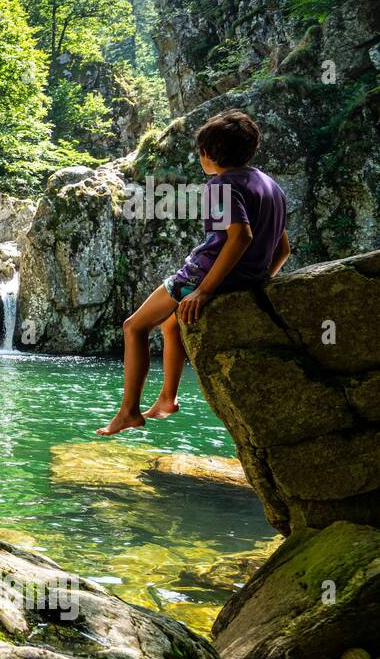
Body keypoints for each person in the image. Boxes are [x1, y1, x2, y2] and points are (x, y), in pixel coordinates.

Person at [97, 109, 291, 436]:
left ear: (208, 154)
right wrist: (260, 279)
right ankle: (167, 399)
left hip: (201, 277)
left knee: (134, 327)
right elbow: (283, 248)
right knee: (172, 323)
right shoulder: (270, 186)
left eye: (200, 149)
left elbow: (240, 236)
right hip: (245, 280)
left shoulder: (220, 186)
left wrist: (205, 290)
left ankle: (128, 412)